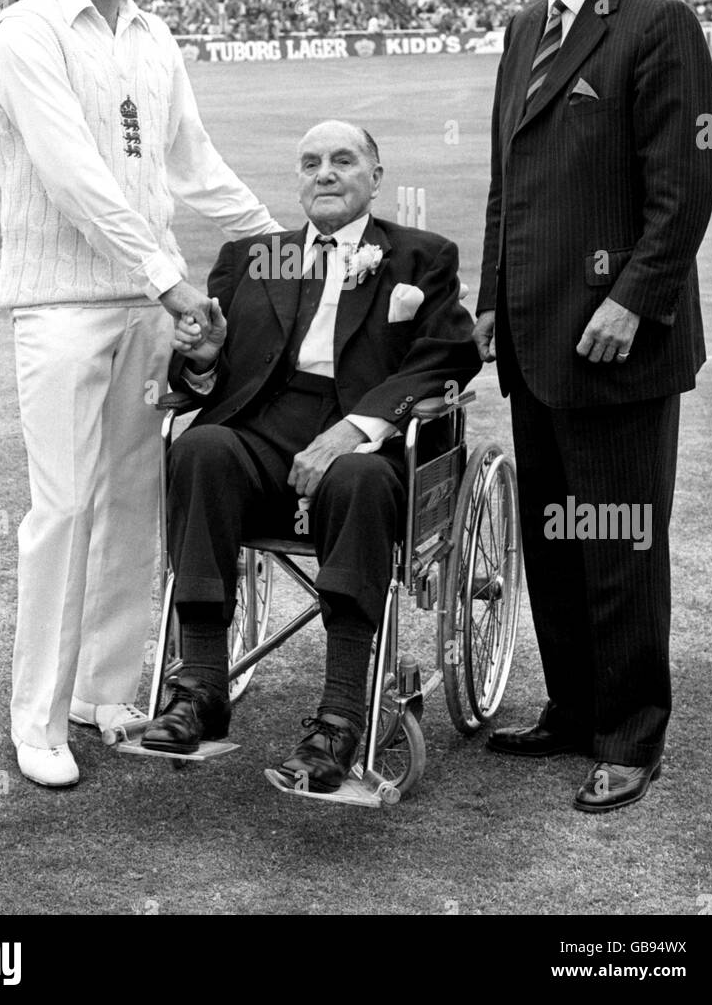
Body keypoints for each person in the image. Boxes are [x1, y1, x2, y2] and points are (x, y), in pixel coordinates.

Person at [0, 0, 279, 788]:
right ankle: (38, 720)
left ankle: (103, 695)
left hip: (146, 307)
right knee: (63, 507)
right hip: (63, 307)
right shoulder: (26, 31)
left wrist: (287, 241)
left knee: (135, 504)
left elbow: (192, 166)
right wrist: (167, 278)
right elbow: (73, 176)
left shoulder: (154, 37)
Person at [473, 0, 712, 812]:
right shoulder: (520, 28)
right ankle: (572, 709)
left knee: (617, 549)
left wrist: (631, 300)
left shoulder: (657, 25)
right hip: (534, 344)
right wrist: (492, 296)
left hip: (615, 345)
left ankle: (628, 736)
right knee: (552, 542)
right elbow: (508, 183)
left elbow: (683, 185)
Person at [140, 120, 481, 792]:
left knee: (354, 478)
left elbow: (451, 355)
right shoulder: (250, 257)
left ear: (375, 178)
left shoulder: (422, 257)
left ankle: (339, 716)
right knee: (202, 446)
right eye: (311, 162)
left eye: (343, 160)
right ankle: (201, 687)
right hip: (262, 435)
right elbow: (203, 376)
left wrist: (354, 429)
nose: (324, 173)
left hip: (364, 443)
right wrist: (203, 362)